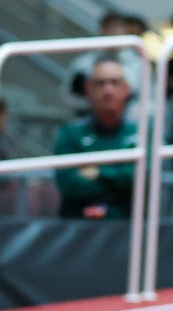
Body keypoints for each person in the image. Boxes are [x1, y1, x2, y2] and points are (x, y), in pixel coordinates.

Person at [54, 55, 139, 219]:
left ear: (126, 88)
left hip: (127, 229)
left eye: (115, 82)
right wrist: (117, 177)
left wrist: (97, 172)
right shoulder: (69, 133)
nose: (108, 90)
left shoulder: (141, 134)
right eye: (101, 83)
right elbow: (69, 185)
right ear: (88, 89)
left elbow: (138, 181)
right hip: (74, 229)